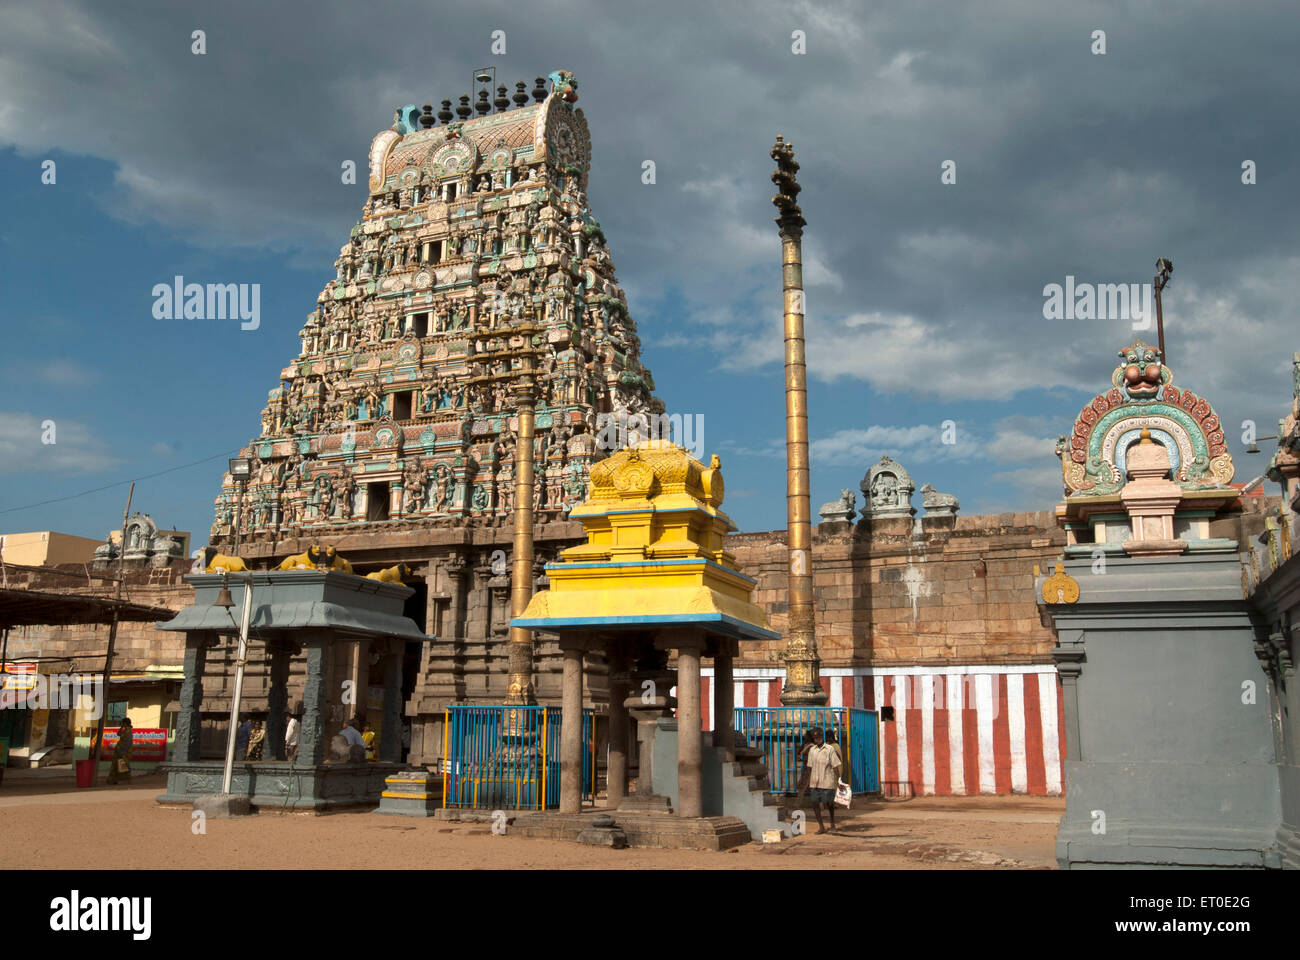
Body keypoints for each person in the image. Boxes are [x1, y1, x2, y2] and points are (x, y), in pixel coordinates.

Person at [805, 727, 843, 834]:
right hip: (815, 782)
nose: (816, 739)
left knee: (829, 803)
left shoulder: (830, 749)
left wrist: (839, 780)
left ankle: (832, 822)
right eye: (814, 738)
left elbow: (835, 766)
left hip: (827, 781)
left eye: (818, 737)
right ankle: (821, 826)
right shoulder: (812, 750)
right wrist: (807, 782)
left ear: (822, 737)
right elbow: (809, 767)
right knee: (815, 803)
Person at [106, 717, 134, 785]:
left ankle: (127, 780)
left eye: (122, 723)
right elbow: (118, 734)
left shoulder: (129, 731)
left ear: (125, 723)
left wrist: (122, 751)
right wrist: (121, 727)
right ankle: (114, 780)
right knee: (116, 765)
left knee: (124, 765)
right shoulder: (125, 730)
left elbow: (127, 743)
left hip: (124, 751)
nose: (122, 724)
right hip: (119, 750)